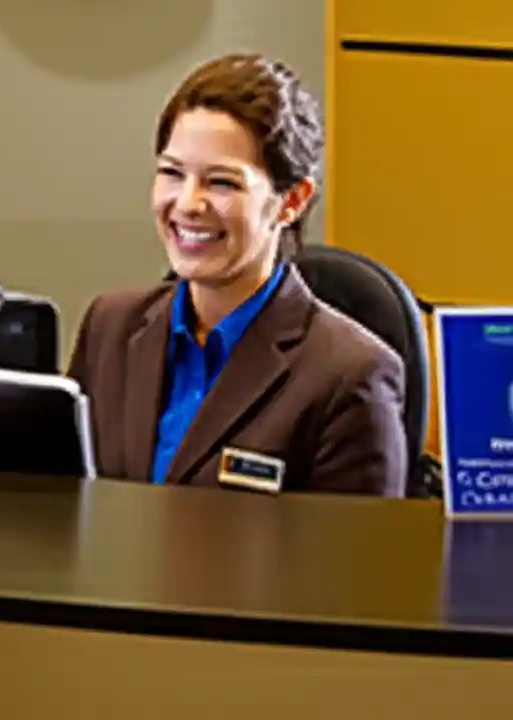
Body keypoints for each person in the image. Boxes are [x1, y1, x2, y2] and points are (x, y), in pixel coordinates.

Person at [67, 53, 407, 496]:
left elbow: (358, 562)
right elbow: (63, 510)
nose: (187, 203)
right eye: (172, 173)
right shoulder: (109, 327)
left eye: (221, 183)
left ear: (292, 202)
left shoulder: (351, 375)